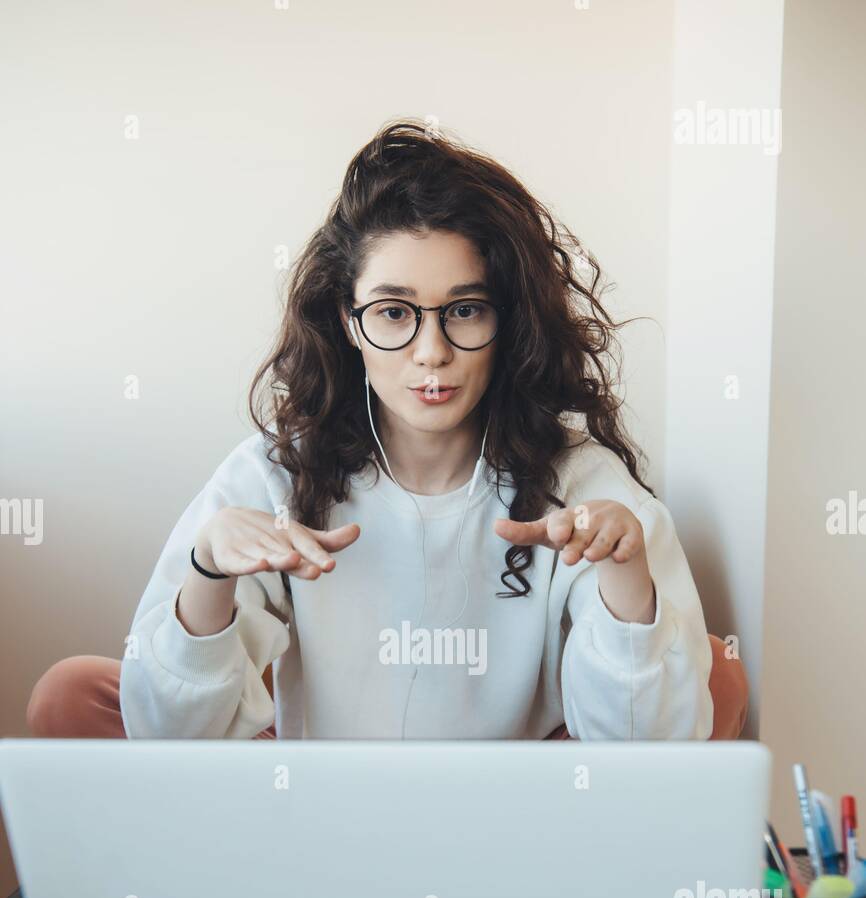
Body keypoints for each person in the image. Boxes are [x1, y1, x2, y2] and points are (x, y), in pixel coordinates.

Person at [27, 120, 747, 743]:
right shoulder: (273, 475)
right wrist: (208, 571)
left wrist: (627, 580)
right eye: (395, 312)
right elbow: (168, 733)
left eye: (464, 310)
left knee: (714, 671)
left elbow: (652, 746)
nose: (431, 352)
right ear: (349, 322)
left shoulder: (584, 486)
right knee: (71, 693)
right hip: (320, 809)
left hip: (521, 818)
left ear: (507, 320)